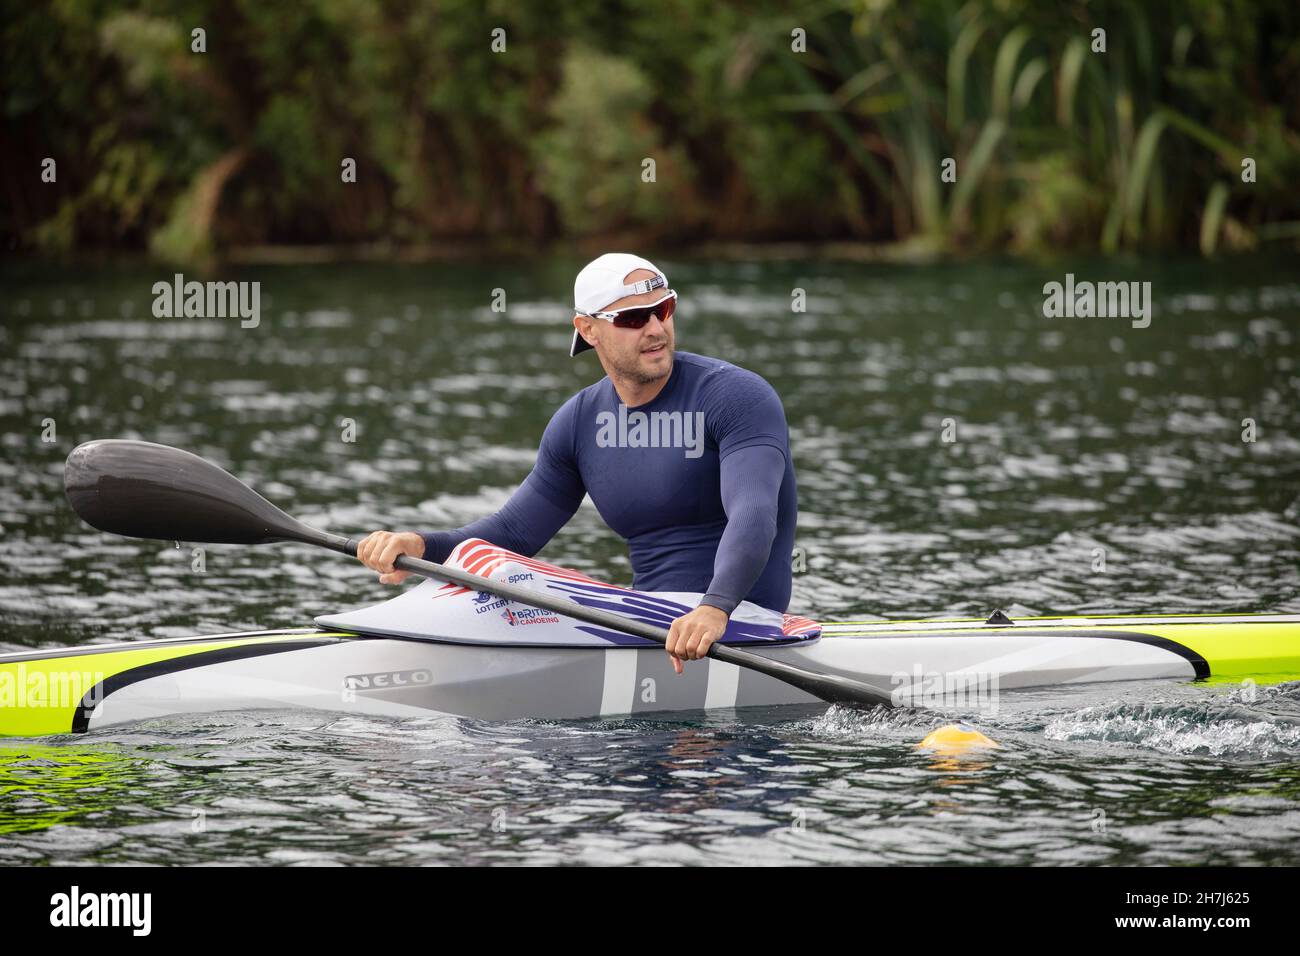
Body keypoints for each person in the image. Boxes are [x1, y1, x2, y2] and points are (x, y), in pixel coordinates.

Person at [357, 253, 797, 672]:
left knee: (516, 581)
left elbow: (755, 512)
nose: (655, 328)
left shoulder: (735, 397)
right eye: (631, 318)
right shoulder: (579, 421)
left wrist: (714, 607)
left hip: (739, 619)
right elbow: (513, 533)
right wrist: (419, 546)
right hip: (652, 625)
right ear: (588, 330)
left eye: (663, 309)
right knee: (494, 572)